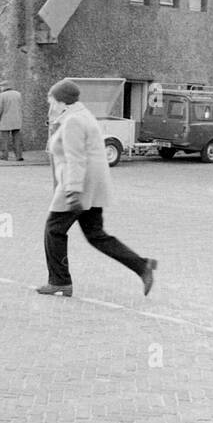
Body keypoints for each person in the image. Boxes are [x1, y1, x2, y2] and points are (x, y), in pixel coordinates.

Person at [38, 78, 157, 298]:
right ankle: (142, 266)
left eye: (52, 101)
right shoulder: (81, 116)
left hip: (78, 187)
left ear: (63, 101)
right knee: (96, 235)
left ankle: (59, 282)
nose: (50, 105)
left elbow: (76, 159)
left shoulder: (73, 121)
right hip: (91, 188)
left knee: (53, 230)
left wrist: (72, 190)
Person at [0, 81, 24, 161]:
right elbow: (21, 106)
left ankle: (5, 155)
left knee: (5, 139)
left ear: (4, 87)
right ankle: (19, 156)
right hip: (17, 119)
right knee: (17, 138)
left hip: (5, 119)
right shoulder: (18, 94)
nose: (0, 88)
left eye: (1, 86)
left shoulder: (2, 95)